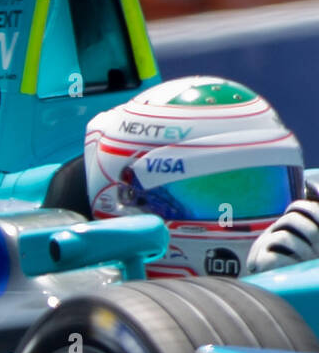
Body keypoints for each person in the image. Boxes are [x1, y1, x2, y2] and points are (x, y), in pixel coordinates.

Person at [84, 74, 306, 278]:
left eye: (263, 188)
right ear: (128, 198)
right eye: (213, 191)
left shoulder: (316, 242)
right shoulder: (89, 314)